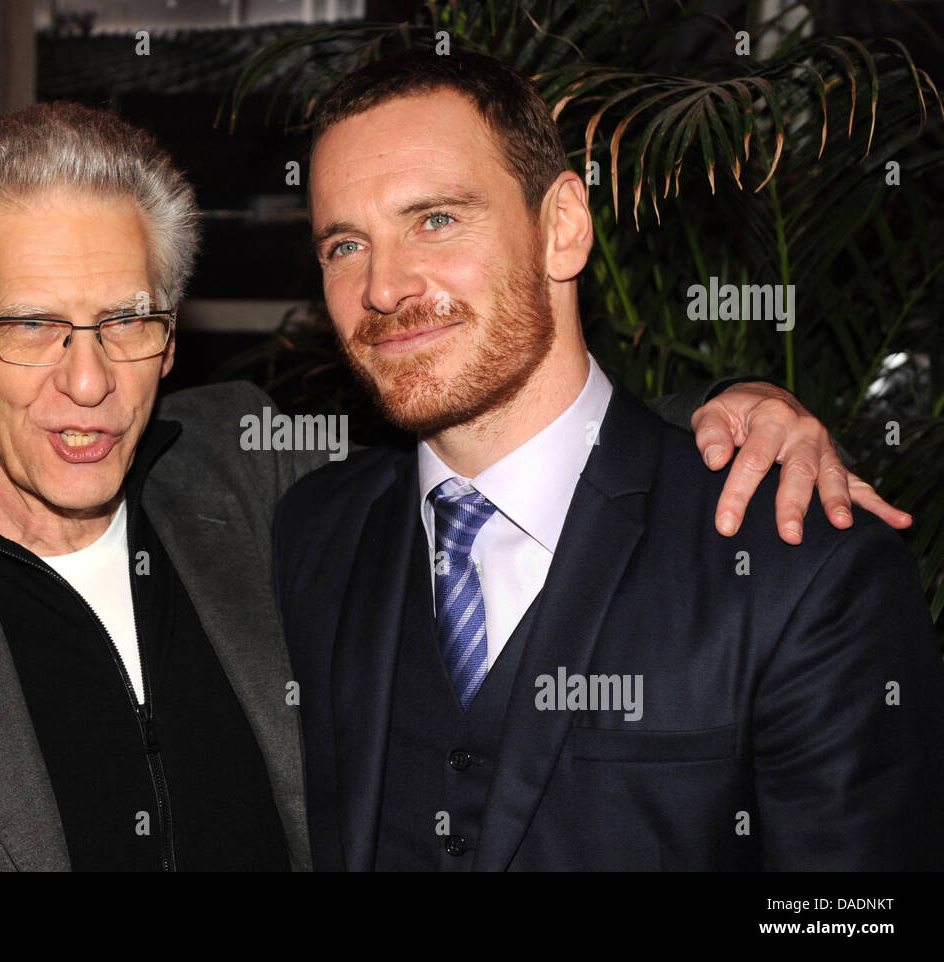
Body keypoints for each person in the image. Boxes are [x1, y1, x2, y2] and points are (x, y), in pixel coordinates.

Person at [0, 100, 900, 871]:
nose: (87, 382)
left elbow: (510, 425)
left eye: (128, 320)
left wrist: (735, 412)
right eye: (34, 326)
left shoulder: (259, 487)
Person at [273, 49, 944, 871]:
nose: (382, 287)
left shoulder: (799, 562)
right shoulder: (313, 534)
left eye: (436, 219)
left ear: (562, 228)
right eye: (345, 245)